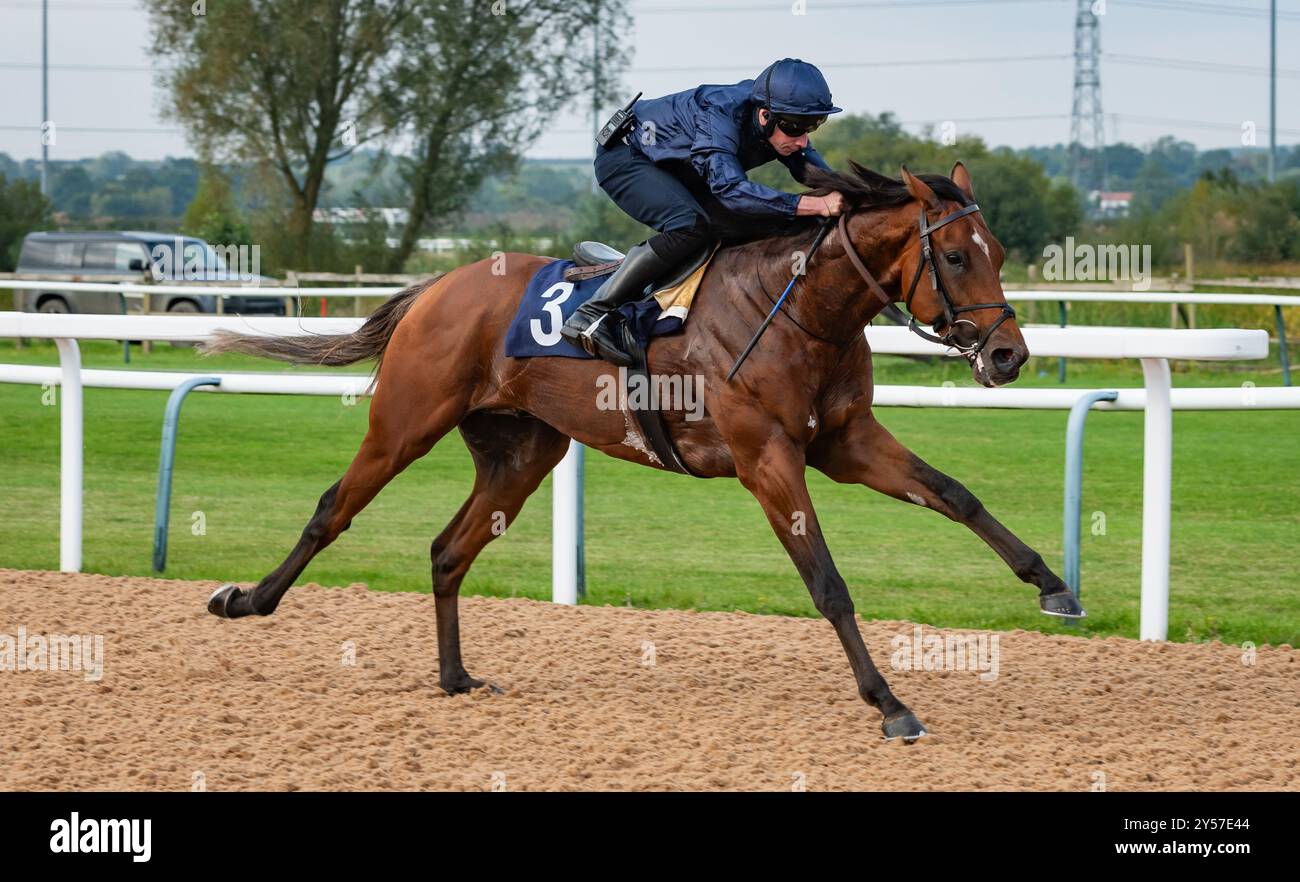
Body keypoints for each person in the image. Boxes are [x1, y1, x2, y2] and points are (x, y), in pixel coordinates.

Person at [560, 57, 848, 365]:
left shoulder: (781, 121)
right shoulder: (721, 115)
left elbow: (816, 175)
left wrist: (859, 196)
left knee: (768, 222)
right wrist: (813, 204)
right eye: (796, 129)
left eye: (812, 128)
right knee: (690, 225)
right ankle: (591, 313)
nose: (803, 140)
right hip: (627, 157)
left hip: (680, 168)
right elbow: (730, 191)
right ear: (765, 116)